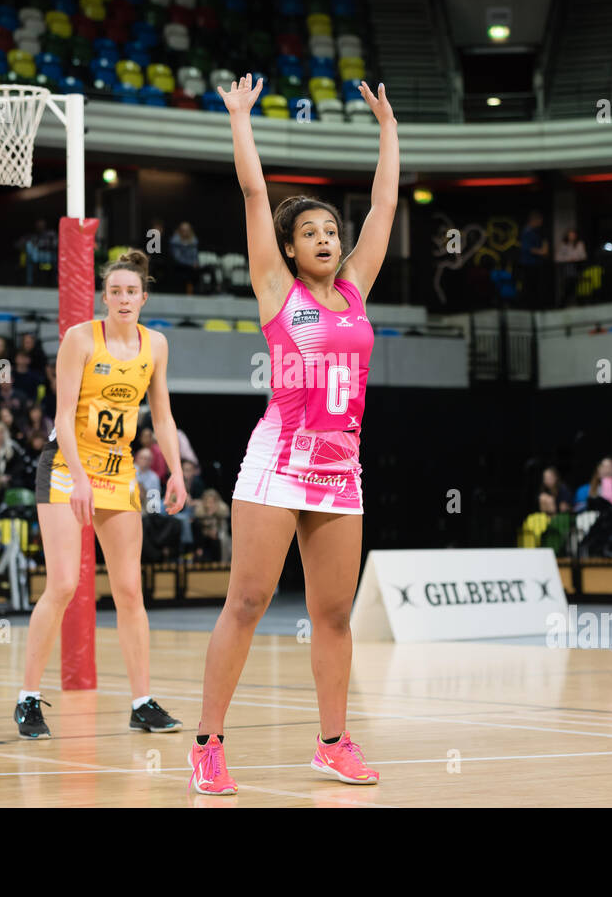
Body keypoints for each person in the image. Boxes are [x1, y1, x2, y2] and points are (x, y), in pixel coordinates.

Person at [188, 75, 397, 795]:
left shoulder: (358, 289)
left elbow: (384, 206)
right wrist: (240, 119)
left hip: (341, 468)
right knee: (247, 601)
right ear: (287, 247)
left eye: (331, 231)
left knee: (333, 613)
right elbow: (253, 195)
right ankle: (209, 743)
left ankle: (333, 743)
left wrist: (389, 132)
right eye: (310, 232)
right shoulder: (278, 291)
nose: (327, 239)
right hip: (279, 460)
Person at [20, 251, 188, 739]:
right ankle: (28, 699)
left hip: (118, 471)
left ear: (143, 298)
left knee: (131, 590)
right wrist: (79, 478)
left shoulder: (155, 344)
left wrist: (175, 472)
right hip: (66, 467)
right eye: (114, 291)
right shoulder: (79, 339)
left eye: (131, 291)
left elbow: (163, 416)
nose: (122, 298)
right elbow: (62, 416)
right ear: (104, 296)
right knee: (64, 585)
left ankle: (142, 702)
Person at [169, 221, 200, 294]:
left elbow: (195, 255)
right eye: (183, 230)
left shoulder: (193, 242)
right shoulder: (175, 242)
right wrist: (191, 264)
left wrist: (196, 262)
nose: (185, 232)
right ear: (179, 231)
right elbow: (177, 258)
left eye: (187, 230)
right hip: (180, 268)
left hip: (192, 269)